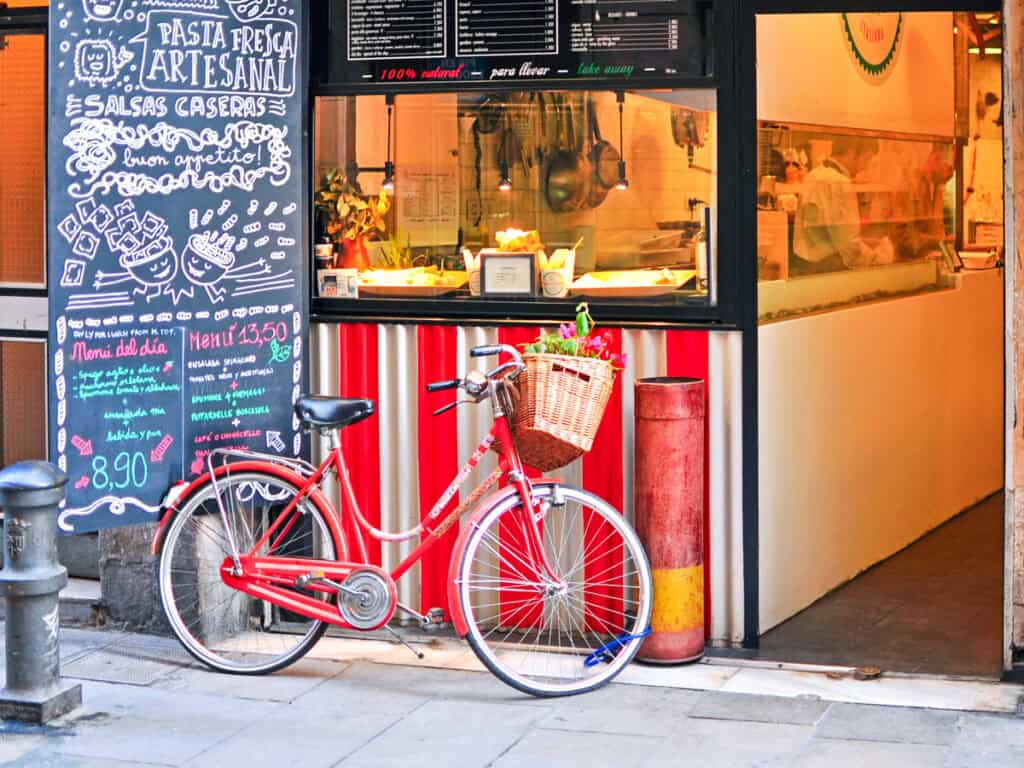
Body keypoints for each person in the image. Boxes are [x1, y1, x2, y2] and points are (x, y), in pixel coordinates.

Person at [792, 136, 891, 276]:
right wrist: (878, 259)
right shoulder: (839, 182)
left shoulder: (814, 174)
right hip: (827, 269)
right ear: (852, 153)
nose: (865, 167)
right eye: (867, 159)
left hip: (805, 266)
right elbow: (849, 246)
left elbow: (831, 232)